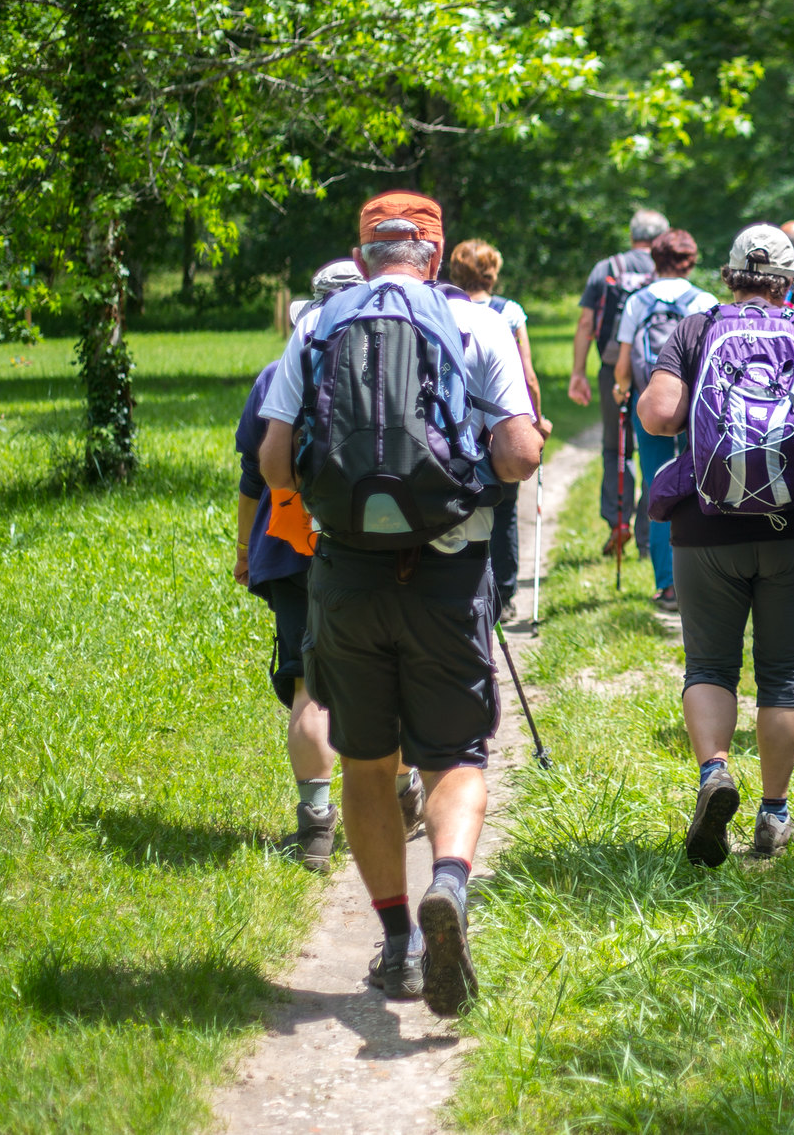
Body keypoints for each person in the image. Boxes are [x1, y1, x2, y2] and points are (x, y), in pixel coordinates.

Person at [257, 191, 545, 1016]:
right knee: (454, 755)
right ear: (435, 252)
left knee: (366, 761)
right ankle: (447, 882)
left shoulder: (317, 324)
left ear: (361, 253)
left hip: (346, 573)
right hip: (448, 570)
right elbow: (519, 455)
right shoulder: (477, 323)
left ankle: (396, 941)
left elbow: (274, 464)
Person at [636, 224, 794, 865]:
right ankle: (774, 814)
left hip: (706, 526)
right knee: (783, 671)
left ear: (729, 275)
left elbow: (658, 415)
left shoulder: (695, 331)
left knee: (709, 666)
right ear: (791, 280)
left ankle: (714, 773)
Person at [236, 259, 426, 872]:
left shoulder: (277, 373)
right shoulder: (397, 366)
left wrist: (244, 551)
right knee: (387, 678)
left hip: (291, 547)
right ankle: (404, 794)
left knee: (309, 687)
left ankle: (315, 828)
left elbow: (255, 475)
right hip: (376, 541)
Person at [609, 228, 717, 612]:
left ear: (655, 260)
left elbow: (624, 365)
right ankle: (699, 579)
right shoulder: (704, 301)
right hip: (697, 408)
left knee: (657, 485)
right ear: (690, 261)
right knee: (701, 483)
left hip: (651, 403)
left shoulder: (638, 301)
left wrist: (622, 390)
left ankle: (667, 586)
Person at [448, 238, 550, 622]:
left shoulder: (444, 309)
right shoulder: (508, 311)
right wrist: (536, 421)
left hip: (461, 429)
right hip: (501, 427)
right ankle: (503, 595)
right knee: (504, 511)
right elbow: (527, 375)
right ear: (492, 272)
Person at [570, 208, 665, 557]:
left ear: (632, 235)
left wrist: (578, 372)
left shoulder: (606, 268)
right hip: (657, 372)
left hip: (613, 369)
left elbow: (586, 323)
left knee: (616, 447)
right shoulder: (664, 269)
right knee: (656, 448)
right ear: (660, 238)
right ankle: (648, 533)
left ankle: (618, 521)